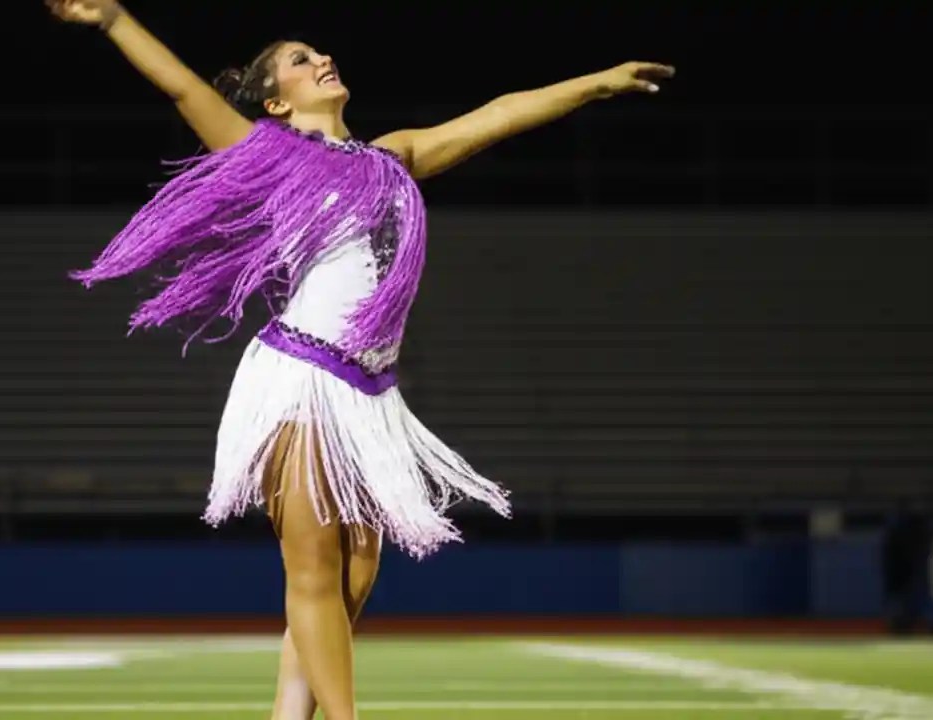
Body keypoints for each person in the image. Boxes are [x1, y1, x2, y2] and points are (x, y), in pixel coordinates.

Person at [48, 1, 674, 717]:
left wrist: (597, 83)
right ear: (277, 101)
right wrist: (114, 18)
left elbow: (498, 114)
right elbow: (187, 90)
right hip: (305, 378)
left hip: (369, 394)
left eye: (319, 51)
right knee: (313, 570)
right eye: (299, 60)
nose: (320, 59)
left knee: (353, 578)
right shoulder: (269, 155)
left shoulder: (393, 157)